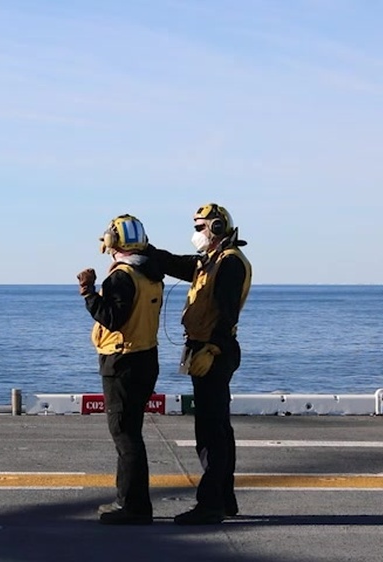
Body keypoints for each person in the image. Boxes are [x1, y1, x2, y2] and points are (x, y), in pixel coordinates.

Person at [147, 203, 252, 525]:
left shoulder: (230, 263)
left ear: (217, 228)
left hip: (213, 351)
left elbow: (226, 310)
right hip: (207, 348)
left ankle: (210, 505)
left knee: (211, 432)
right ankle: (224, 498)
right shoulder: (212, 261)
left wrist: (213, 348)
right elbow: (178, 264)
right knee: (219, 427)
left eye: (200, 227)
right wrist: (146, 250)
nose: (196, 234)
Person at [76, 214, 165, 526]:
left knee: (125, 435)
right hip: (146, 357)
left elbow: (112, 319)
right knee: (132, 432)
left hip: (122, 360)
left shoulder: (121, 276)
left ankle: (133, 506)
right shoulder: (151, 273)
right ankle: (132, 501)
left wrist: (88, 292)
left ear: (113, 242)